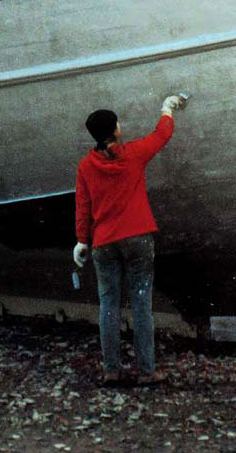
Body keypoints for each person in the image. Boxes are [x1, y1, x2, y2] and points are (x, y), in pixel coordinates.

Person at [73, 94, 183, 386]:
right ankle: (146, 371)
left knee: (108, 305)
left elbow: (83, 207)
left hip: (104, 243)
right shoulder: (133, 154)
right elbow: (162, 135)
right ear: (116, 130)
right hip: (137, 239)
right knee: (141, 303)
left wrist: (82, 241)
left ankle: (112, 370)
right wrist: (167, 108)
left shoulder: (86, 166)